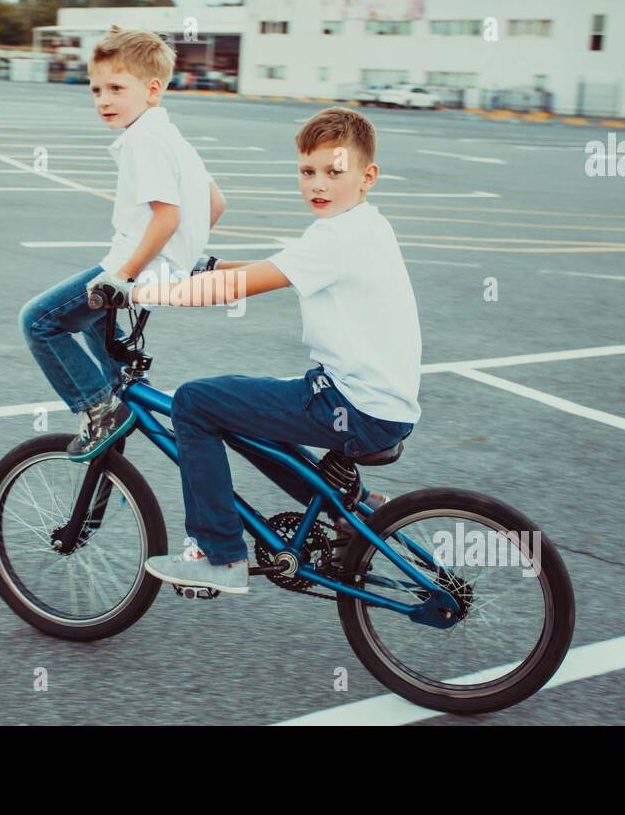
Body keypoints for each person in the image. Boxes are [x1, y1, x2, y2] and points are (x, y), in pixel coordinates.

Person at [114, 107, 422, 595]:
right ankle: (357, 510)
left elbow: (239, 286)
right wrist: (204, 265)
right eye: (307, 171)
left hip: (353, 406)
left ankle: (220, 557)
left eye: (333, 172)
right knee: (238, 408)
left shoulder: (336, 238)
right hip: (377, 402)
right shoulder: (364, 226)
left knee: (196, 403)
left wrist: (138, 290)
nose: (318, 185)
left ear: (367, 177)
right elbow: (276, 267)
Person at [19, 25, 226, 461]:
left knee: (38, 322)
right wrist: (184, 257)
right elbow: (216, 203)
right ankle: (123, 400)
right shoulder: (170, 134)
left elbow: (167, 216)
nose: (103, 100)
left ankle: (99, 411)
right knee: (100, 336)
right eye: (96, 90)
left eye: (116, 87)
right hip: (158, 268)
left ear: (152, 89)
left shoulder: (142, 140)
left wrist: (126, 275)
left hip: (136, 270)